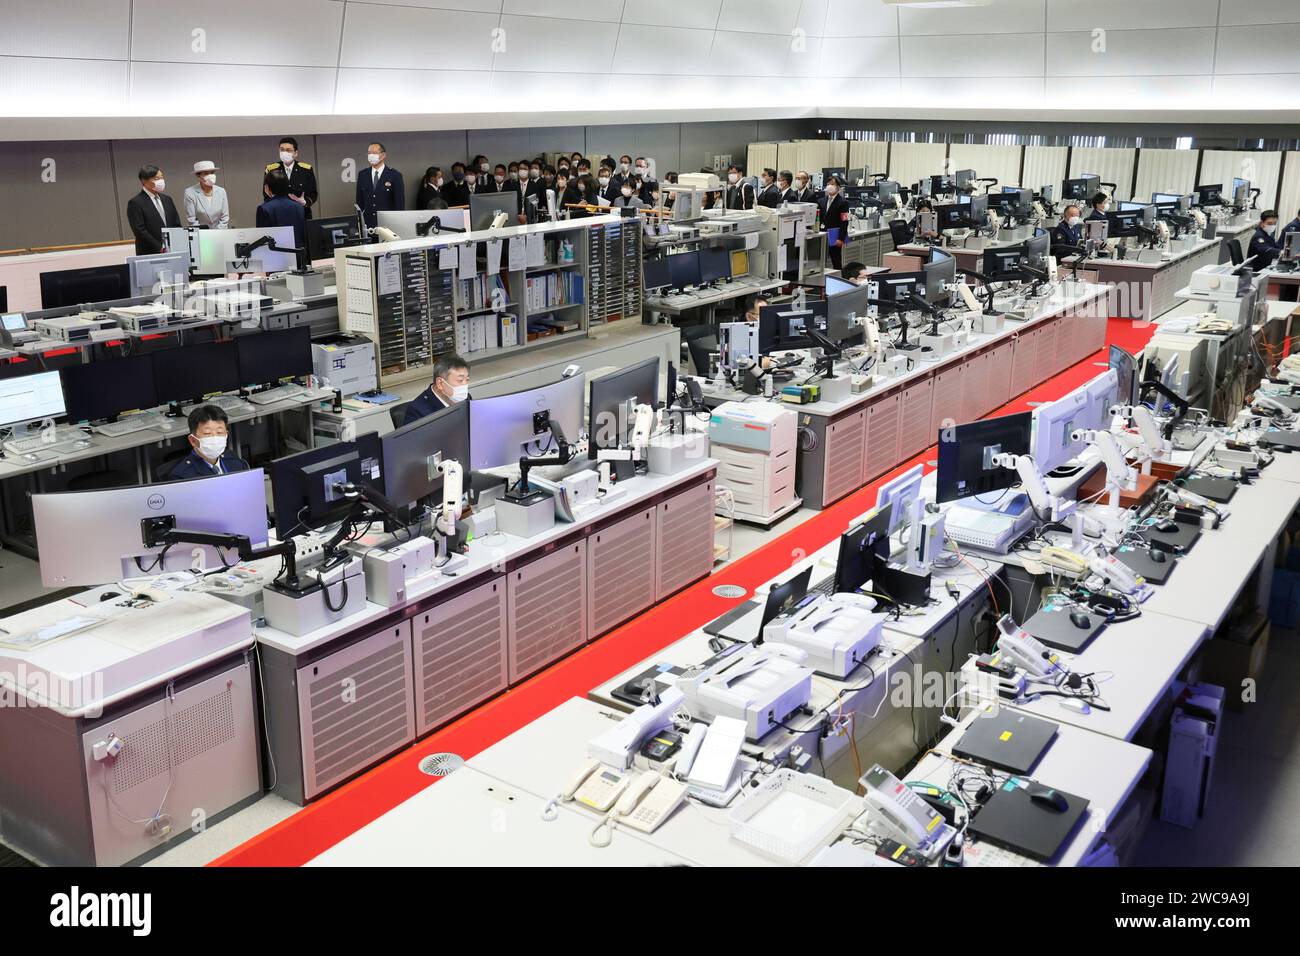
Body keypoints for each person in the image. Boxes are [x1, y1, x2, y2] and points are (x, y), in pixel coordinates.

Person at [170, 405, 249, 479]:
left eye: (219, 432)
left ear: (226, 435)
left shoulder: (236, 462)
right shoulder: (182, 476)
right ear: (193, 440)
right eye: (207, 434)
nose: (215, 438)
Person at [126, 164, 181, 255]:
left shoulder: (167, 199)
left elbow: (176, 223)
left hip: (172, 250)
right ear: (144, 181)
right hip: (150, 251)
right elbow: (140, 231)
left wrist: (177, 243)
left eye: (161, 178)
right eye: (156, 179)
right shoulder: (135, 202)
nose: (161, 181)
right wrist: (160, 247)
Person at [404, 354, 470, 424]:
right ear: (440, 383)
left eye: (467, 379)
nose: (465, 385)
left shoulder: (466, 398)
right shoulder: (418, 411)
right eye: (460, 380)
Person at [265, 137, 318, 220]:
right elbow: (266, 194)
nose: (284, 153)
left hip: (301, 214)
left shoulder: (306, 169)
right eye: (282, 150)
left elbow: (313, 193)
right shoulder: (271, 169)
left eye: (288, 150)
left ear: (295, 153)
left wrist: (305, 202)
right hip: (278, 215)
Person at [355, 141, 404, 228]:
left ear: (383, 155)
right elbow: (359, 202)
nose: (371, 155)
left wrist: (397, 225)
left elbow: (399, 204)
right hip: (368, 225)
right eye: (369, 153)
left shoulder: (395, 175)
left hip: (388, 225)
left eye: (374, 153)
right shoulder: (363, 174)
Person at [257, 169, 307, 248]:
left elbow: (263, 239)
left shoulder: (264, 208)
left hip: (276, 255)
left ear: (267, 187)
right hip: (298, 255)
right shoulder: (298, 207)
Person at [183, 160, 229, 229]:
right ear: (198, 175)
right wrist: (205, 234)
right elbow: (191, 220)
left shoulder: (221, 191)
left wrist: (217, 232)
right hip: (201, 234)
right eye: (206, 173)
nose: (210, 176)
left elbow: (225, 217)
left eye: (212, 172)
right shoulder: (190, 192)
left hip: (220, 233)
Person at [820, 176, 850, 270]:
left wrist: (841, 238)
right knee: (821, 260)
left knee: (836, 261)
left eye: (832, 184)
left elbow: (844, 221)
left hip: (835, 235)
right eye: (828, 184)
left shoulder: (843, 202)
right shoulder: (822, 200)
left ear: (838, 187)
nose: (829, 186)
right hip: (823, 234)